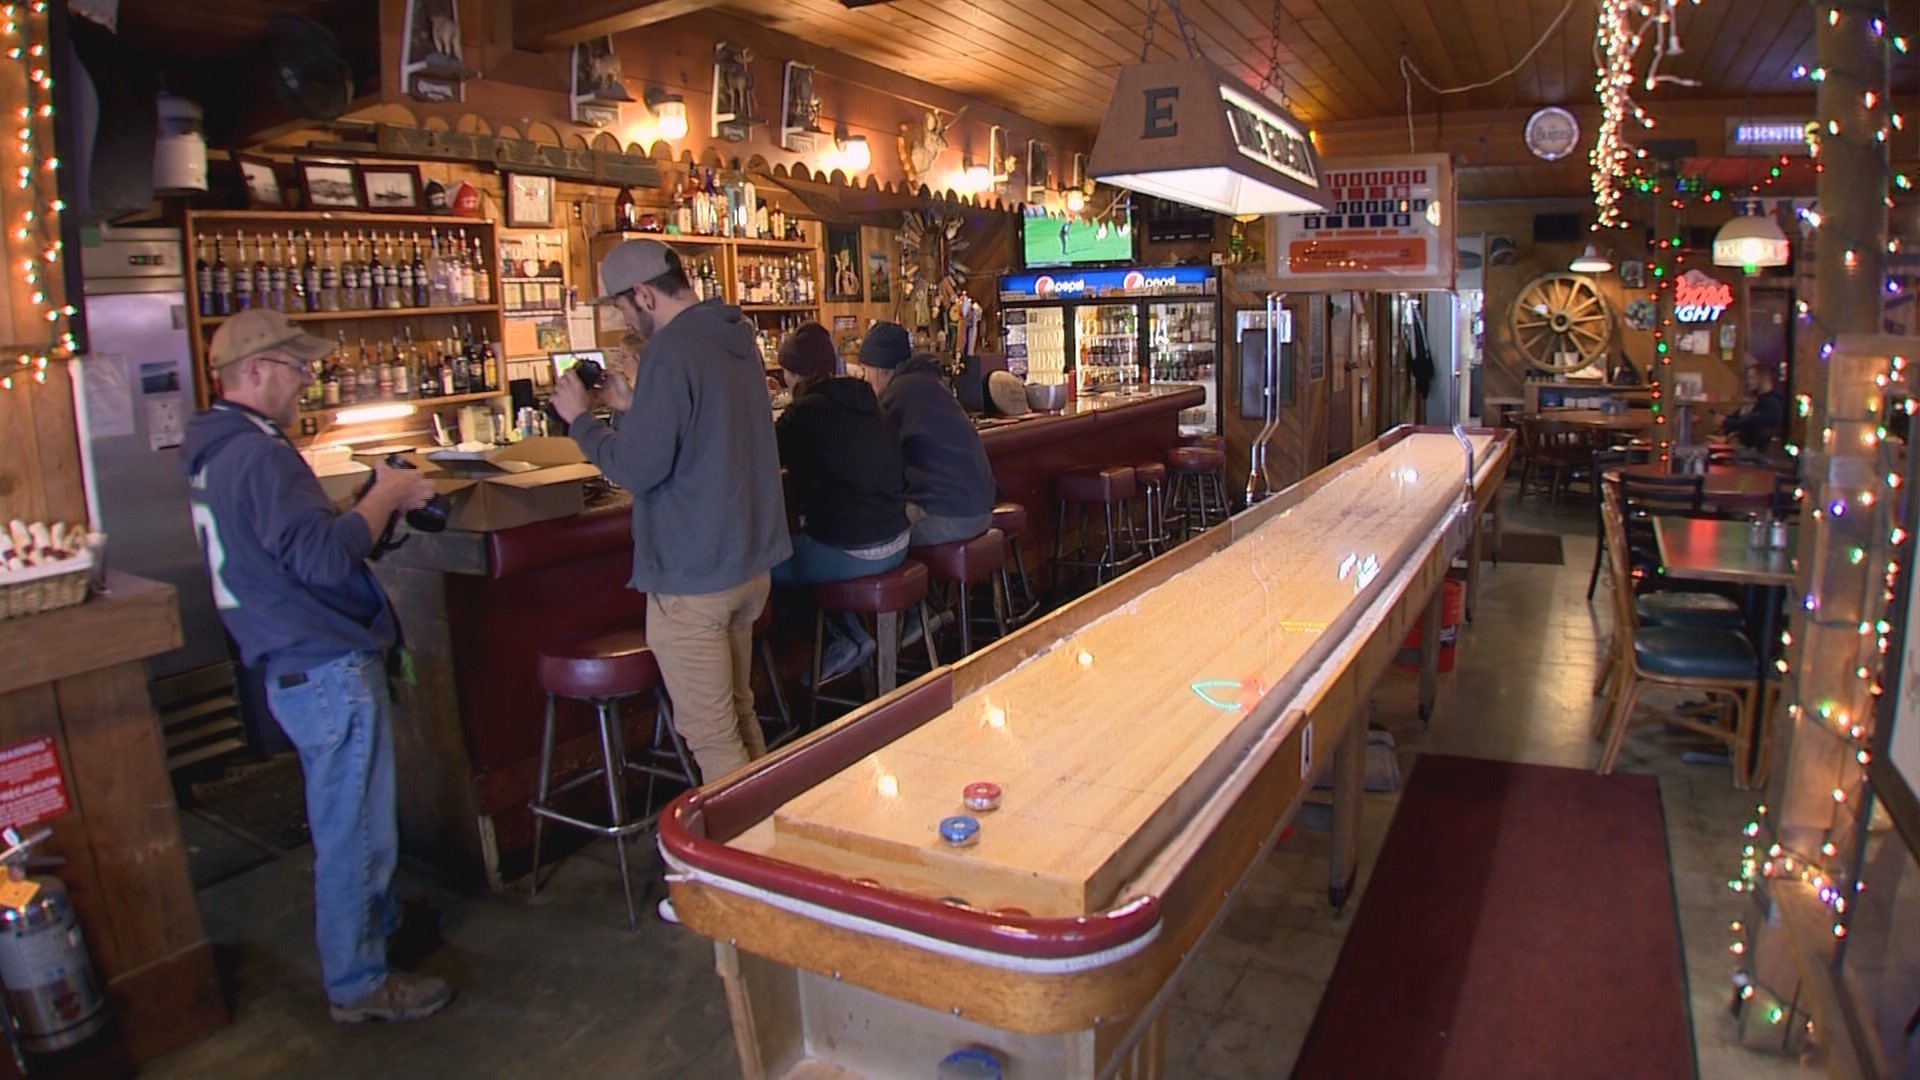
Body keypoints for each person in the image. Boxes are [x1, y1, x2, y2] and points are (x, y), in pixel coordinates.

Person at [181, 309, 451, 1024]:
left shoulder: (218, 449)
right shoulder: (260, 455)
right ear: (257, 371)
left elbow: (286, 546)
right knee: (354, 828)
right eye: (296, 367)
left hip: (289, 659)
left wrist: (361, 504)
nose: (307, 379)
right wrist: (387, 495)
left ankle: (378, 926)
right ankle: (360, 982)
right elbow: (325, 560)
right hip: (322, 662)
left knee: (350, 819)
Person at [551, 239, 789, 791]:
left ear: (643, 295)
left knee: (712, 736)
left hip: (694, 572)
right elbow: (705, 429)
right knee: (737, 714)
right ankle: (772, 840)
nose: (621, 319)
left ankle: (744, 864)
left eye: (620, 306)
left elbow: (637, 468)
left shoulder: (671, 351)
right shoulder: (733, 337)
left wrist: (580, 421)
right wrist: (630, 402)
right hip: (748, 565)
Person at [771, 323, 911, 681]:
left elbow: (758, 459)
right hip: (898, 541)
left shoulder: (802, 415)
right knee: (821, 543)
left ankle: (842, 640)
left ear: (794, 373)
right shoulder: (869, 402)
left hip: (853, 551)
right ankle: (851, 636)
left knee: (764, 565)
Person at [854, 322, 996, 547]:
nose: (864, 379)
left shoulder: (896, 395)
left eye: (865, 371)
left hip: (946, 517)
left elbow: (871, 458)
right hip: (981, 511)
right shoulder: (930, 384)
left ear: (882, 369)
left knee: (870, 537)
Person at [1719, 363, 1786, 451]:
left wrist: (1726, 422)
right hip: (1740, 447)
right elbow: (1738, 417)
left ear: (1764, 380)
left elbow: (1750, 423)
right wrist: (1725, 420)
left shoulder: (1772, 404)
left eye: (1752, 378)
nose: (1748, 382)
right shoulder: (1755, 401)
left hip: (1754, 454)